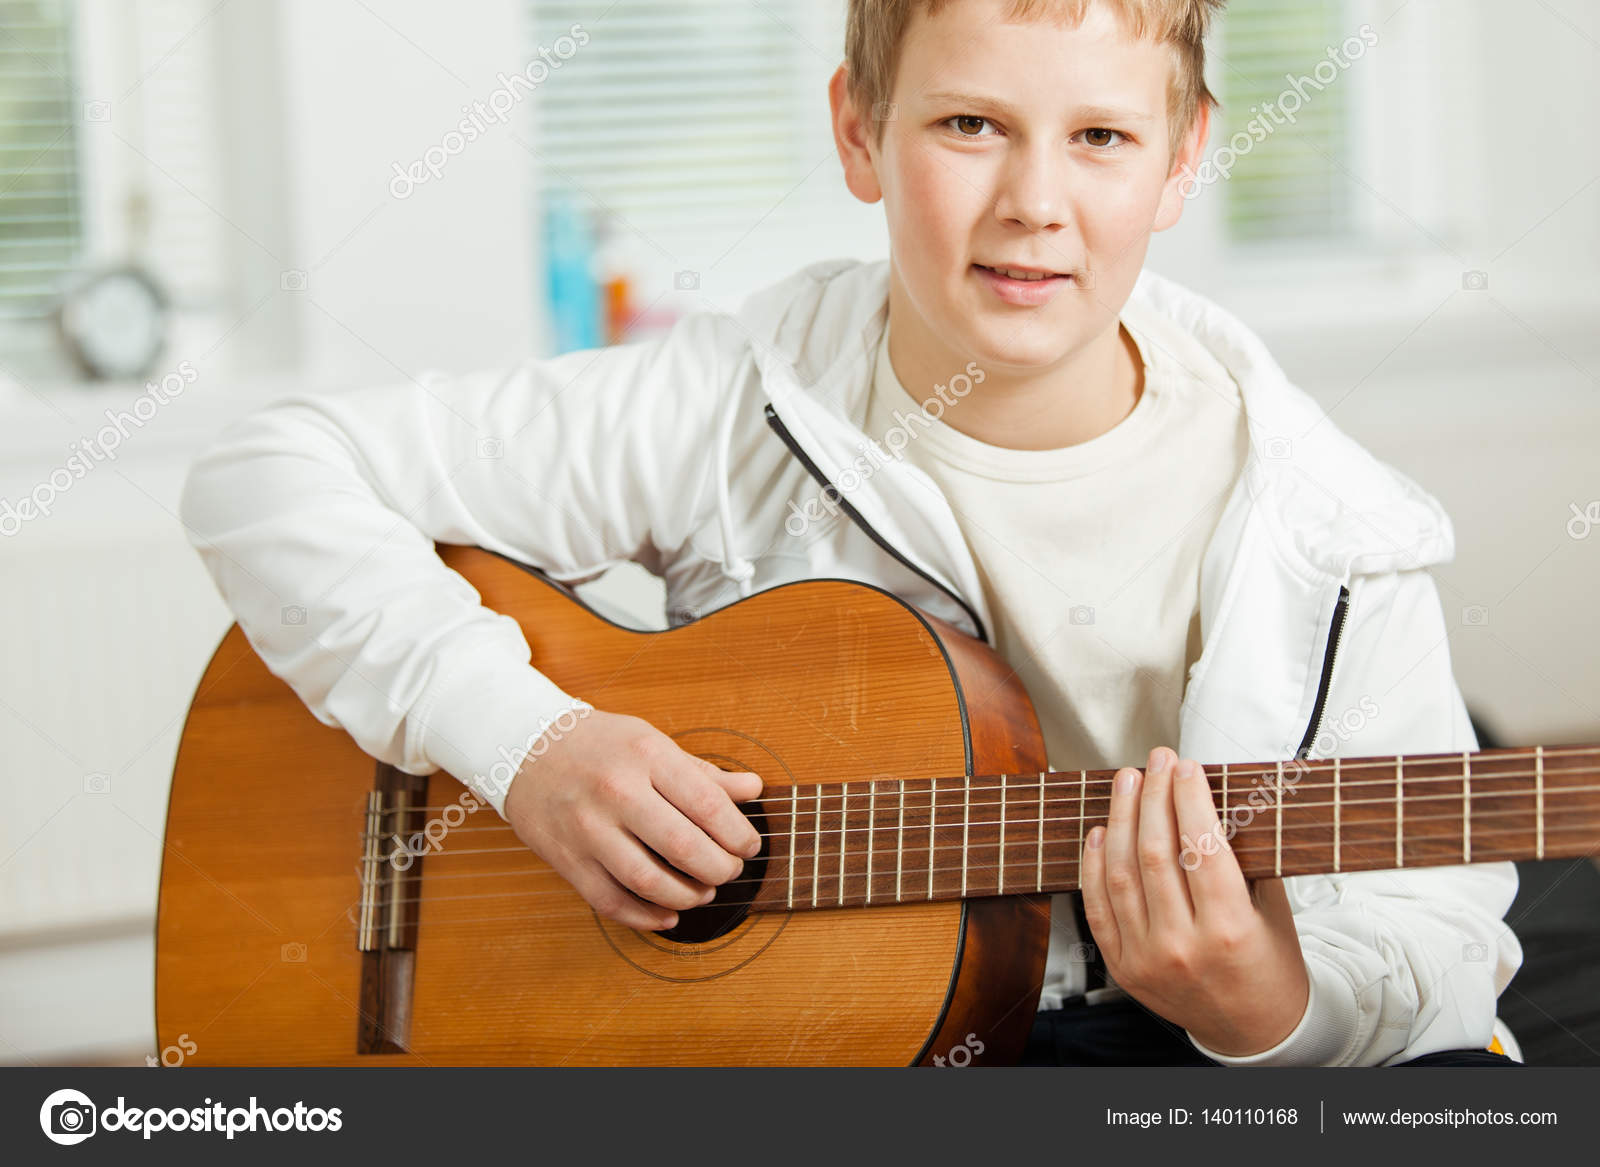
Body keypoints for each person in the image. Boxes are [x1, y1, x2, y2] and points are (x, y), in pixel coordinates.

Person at [179, 0, 1520, 1065]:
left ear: (1183, 160)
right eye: (971, 124)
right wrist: (526, 746)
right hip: (822, 1039)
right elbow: (267, 474)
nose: (1034, 201)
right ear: (860, 132)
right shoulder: (731, 401)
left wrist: (1271, 1010)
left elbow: (1442, 937)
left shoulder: (1334, 529)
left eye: (1102, 138)